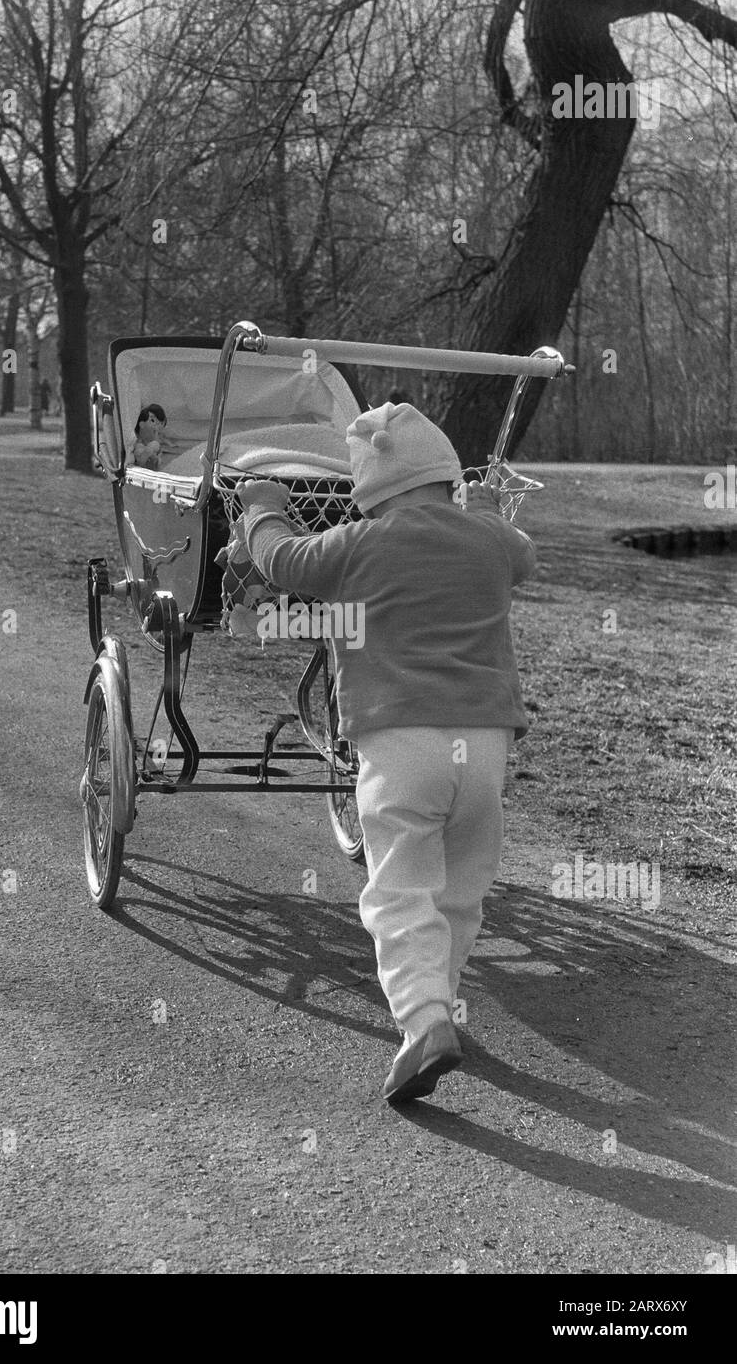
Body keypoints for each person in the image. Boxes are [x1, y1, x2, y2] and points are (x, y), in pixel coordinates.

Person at [239, 402, 536, 1104]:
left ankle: (424, 1020)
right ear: (445, 481)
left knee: (400, 887)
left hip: (399, 738)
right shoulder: (490, 543)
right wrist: (490, 512)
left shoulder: (357, 543)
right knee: (460, 887)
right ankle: (443, 1001)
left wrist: (260, 508)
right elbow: (522, 554)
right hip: (483, 745)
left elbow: (280, 561)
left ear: (368, 490)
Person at [131, 403, 170, 468]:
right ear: (142, 424)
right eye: (152, 420)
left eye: (160, 424)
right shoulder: (136, 442)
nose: (157, 427)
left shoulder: (156, 442)